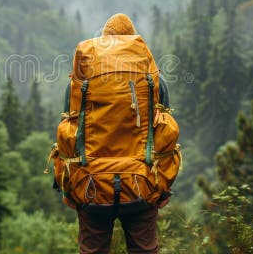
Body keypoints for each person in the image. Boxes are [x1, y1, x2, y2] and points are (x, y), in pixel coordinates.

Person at [53, 13, 179, 254]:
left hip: (91, 186)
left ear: (103, 43)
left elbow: (68, 133)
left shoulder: (79, 83)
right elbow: (163, 133)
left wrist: (68, 188)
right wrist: (164, 188)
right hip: (142, 185)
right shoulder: (154, 80)